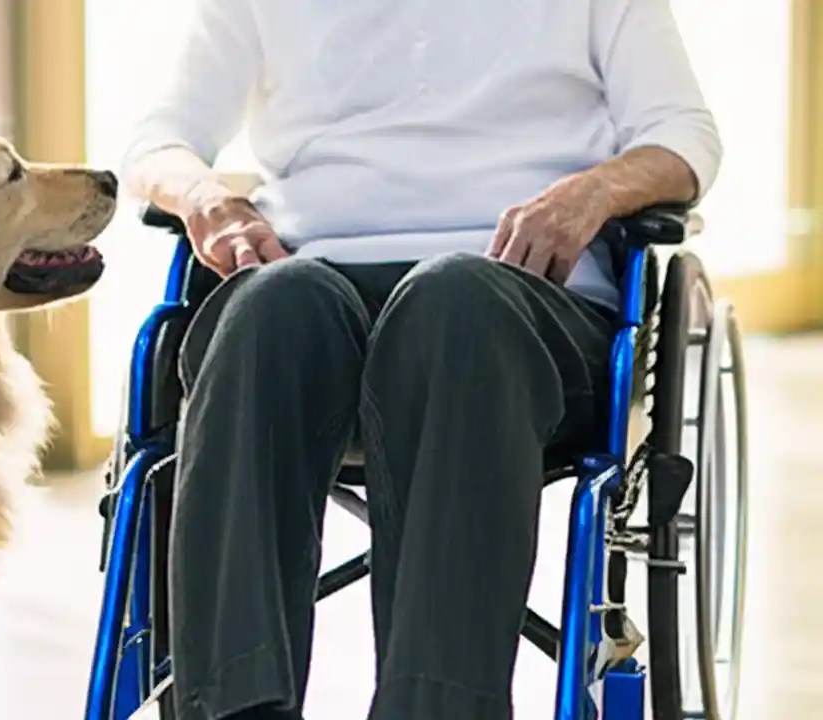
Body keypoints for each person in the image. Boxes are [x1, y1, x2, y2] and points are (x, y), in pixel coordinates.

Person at [120, 1, 720, 718]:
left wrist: (591, 193)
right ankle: (236, 707)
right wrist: (206, 198)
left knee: (453, 302)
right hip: (314, 284)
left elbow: (685, 138)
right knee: (265, 308)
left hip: (517, 306)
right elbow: (161, 140)